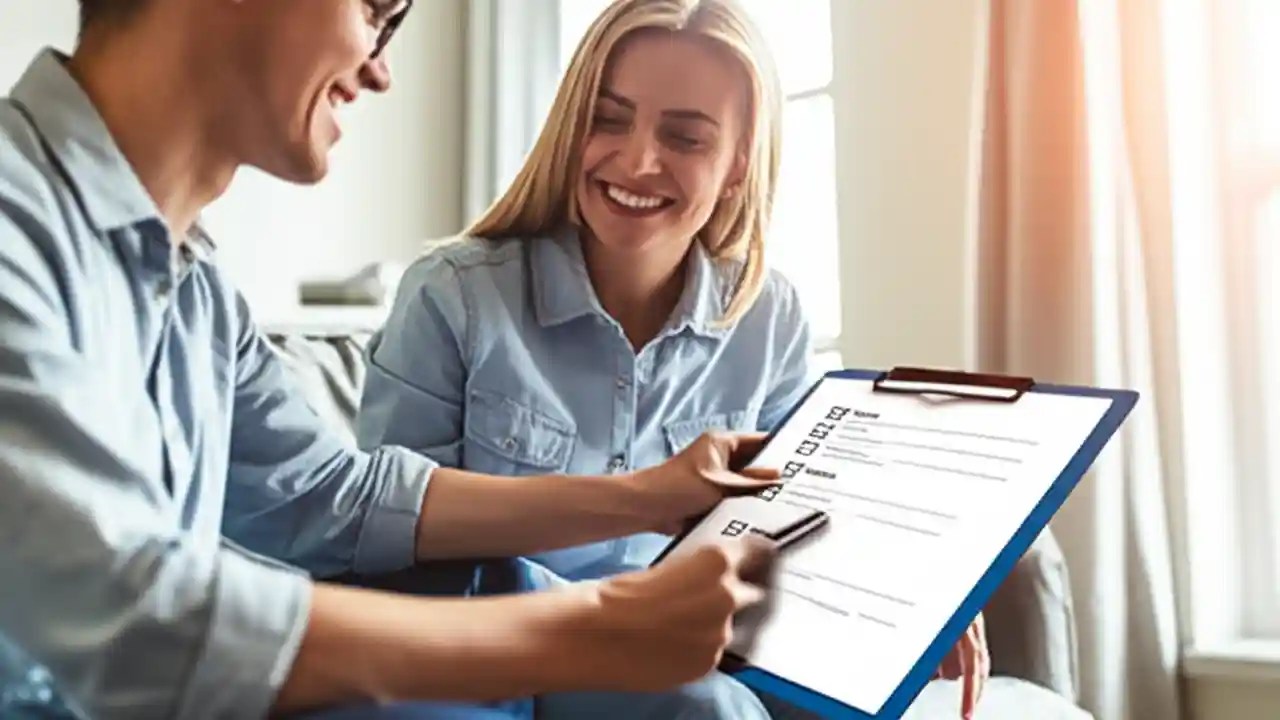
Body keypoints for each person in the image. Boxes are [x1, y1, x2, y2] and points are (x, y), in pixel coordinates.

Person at [0, 1, 787, 719]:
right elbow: (136, 618)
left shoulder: (196, 291)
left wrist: (647, 498)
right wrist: (593, 628)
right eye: (374, 9)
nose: (379, 69)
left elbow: (332, 494)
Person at [356, 0, 991, 717]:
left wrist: (912, 582)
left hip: (708, 644)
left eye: (685, 137)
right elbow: (390, 540)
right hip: (518, 647)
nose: (637, 161)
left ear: (735, 167)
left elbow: (808, 519)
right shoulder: (453, 297)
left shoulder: (769, 317)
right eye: (609, 118)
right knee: (709, 709)